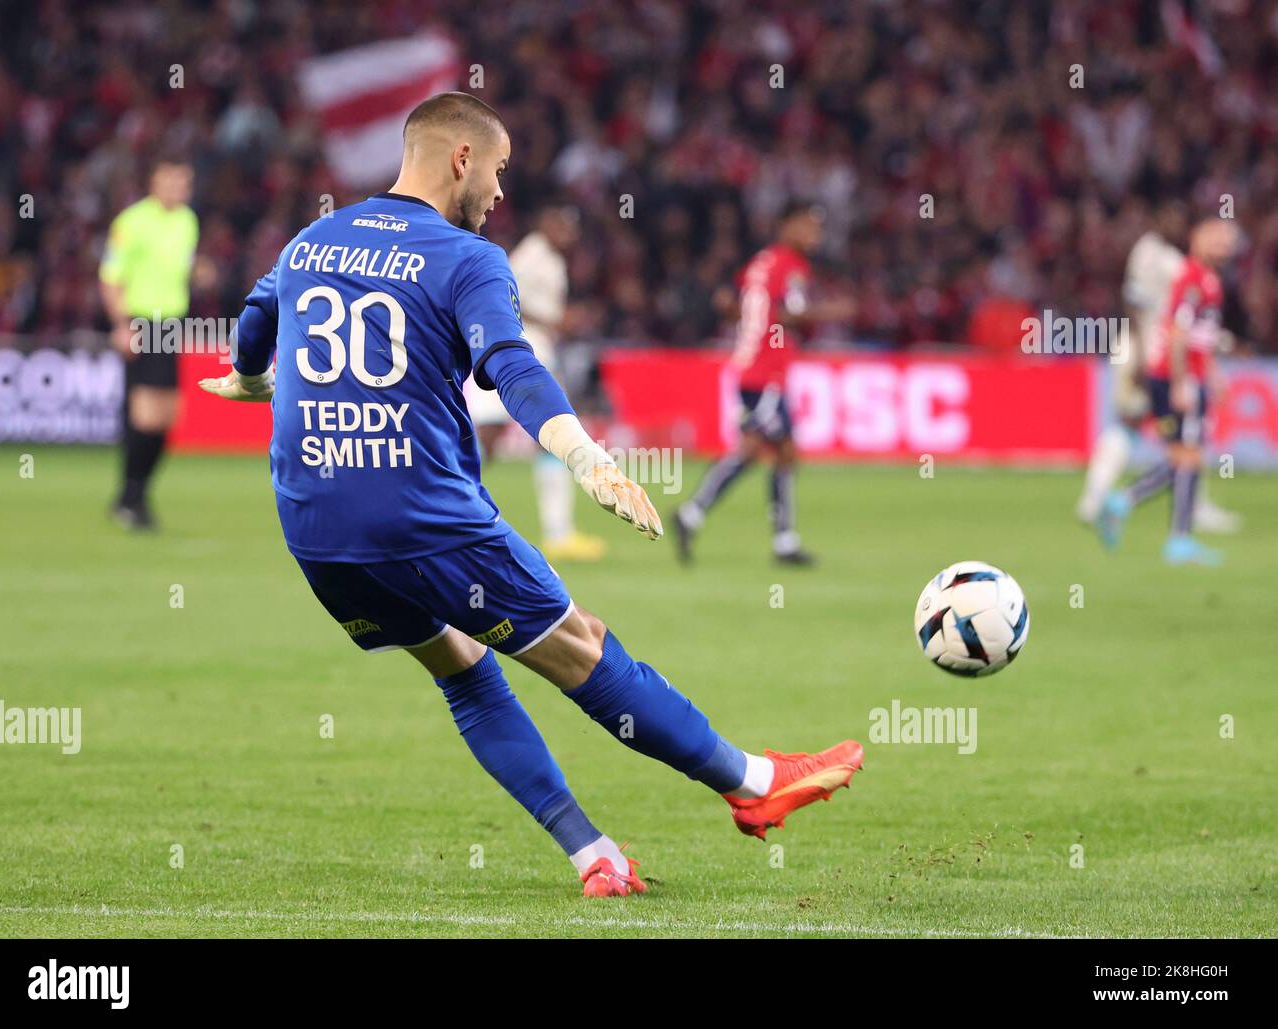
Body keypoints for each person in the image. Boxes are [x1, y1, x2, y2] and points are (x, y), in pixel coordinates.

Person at [199, 93, 863, 898]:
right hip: (424, 516)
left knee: (463, 668)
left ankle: (594, 856)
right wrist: (587, 457)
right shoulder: (467, 258)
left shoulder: (311, 240)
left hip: (314, 524)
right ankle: (753, 782)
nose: (502, 194)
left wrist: (247, 379)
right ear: (461, 160)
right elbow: (511, 365)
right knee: (581, 647)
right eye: (501, 172)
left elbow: (255, 316)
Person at [671, 202, 850, 566]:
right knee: (776, 449)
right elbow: (789, 314)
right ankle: (774, 538)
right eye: (810, 226)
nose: (816, 235)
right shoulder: (792, 266)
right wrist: (833, 311)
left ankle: (698, 516)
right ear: (789, 225)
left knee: (760, 450)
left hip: (753, 369)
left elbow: (737, 305)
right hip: (765, 373)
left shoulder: (761, 263)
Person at [465, 202, 606, 561]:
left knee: (539, 440)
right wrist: (552, 323)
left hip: (529, 353)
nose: (570, 235)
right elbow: (501, 298)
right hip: (514, 353)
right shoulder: (531, 255)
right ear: (548, 223)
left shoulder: (552, 259)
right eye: (564, 226)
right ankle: (441, 510)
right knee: (491, 438)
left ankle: (559, 533)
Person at [1096, 218, 1239, 565]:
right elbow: (1177, 332)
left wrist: (1214, 376)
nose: (1222, 246)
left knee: (1185, 458)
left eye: (1227, 241)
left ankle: (1126, 505)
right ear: (1195, 240)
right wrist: (1181, 382)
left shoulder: (1210, 281)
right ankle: (1175, 537)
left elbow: (1200, 339)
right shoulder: (1192, 278)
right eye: (1215, 239)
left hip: (1189, 376)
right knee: (1187, 458)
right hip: (1178, 379)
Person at [99, 158, 199, 529]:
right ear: (155, 181)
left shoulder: (188, 221)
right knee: (144, 414)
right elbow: (110, 277)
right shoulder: (131, 222)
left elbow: (180, 270)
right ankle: (130, 498)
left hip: (171, 324)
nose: (179, 188)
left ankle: (133, 495)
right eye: (172, 180)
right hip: (141, 322)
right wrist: (121, 325)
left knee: (168, 416)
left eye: (184, 181)